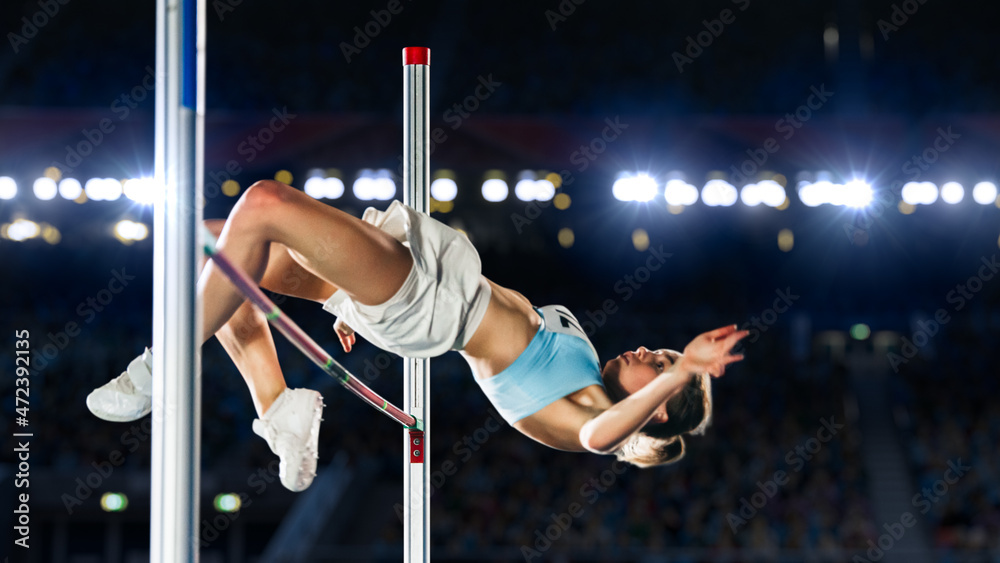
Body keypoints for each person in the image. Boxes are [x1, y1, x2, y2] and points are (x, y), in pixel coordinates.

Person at [87, 180, 748, 491]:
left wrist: (681, 368)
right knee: (224, 254)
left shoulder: (591, 418)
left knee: (263, 204)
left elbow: (603, 437)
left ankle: (164, 364)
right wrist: (352, 297)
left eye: (655, 362)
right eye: (658, 351)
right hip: (421, 286)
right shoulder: (587, 363)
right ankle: (277, 406)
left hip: (428, 302)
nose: (646, 351)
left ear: (659, 404)